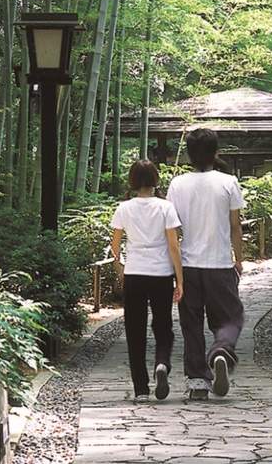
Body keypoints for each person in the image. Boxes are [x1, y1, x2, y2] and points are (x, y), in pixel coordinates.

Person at [166, 127, 246, 400]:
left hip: (188, 265)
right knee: (231, 317)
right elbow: (235, 226)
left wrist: (174, 268)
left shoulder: (177, 184)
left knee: (191, 324)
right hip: (220, 264)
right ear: (216, 152)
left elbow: (171, 230)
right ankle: (222, 350)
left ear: (189, 154)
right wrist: (239, 259)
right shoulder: (228, 182)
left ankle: (198, 382)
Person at [110, 160, 184, 402]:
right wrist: (180, 279)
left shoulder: (124, 208)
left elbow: (115, 243)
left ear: (132, 180)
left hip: (135, 273)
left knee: (135, 331)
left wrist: (119, 265)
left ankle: (141, 389)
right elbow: (174, 245)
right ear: (155, 179)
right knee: (163, 328)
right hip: (161, 274)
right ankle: (161, 364)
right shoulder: (165, 207)